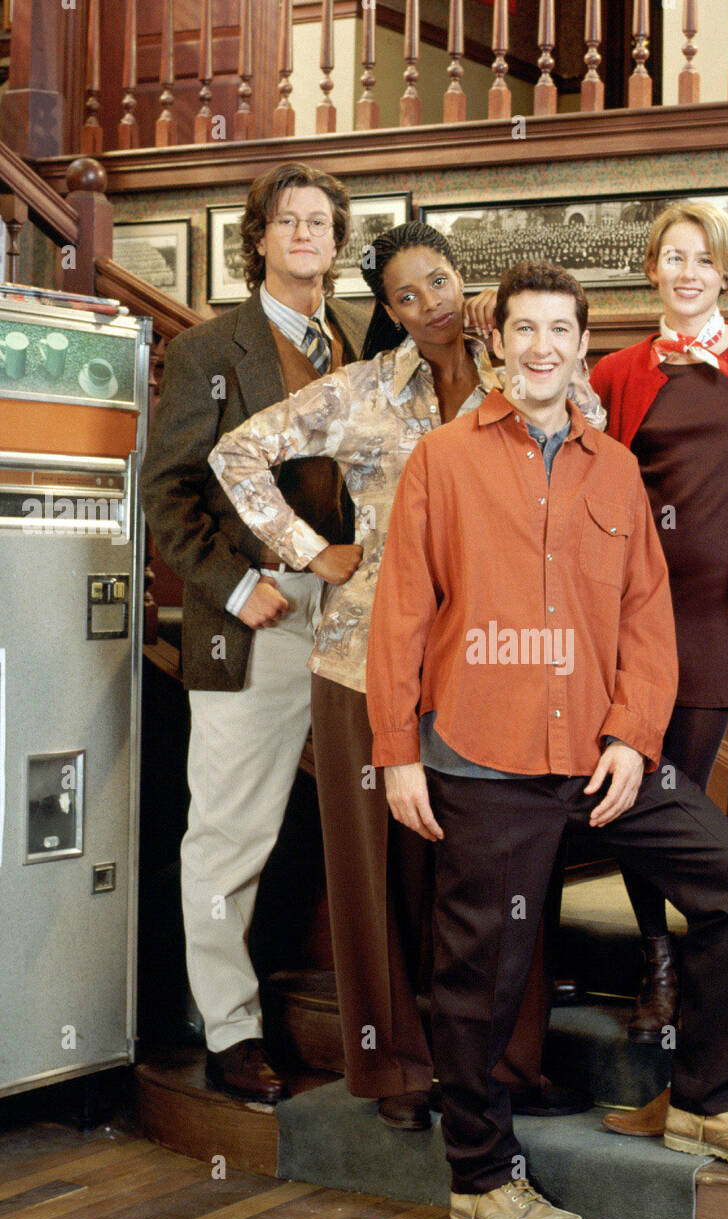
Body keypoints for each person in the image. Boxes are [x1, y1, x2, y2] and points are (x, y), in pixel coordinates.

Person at [366, 261, 728, 1219]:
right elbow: (400, 616)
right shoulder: (440, 461)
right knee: (483, 973)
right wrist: (397, 754)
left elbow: (646, 616)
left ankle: (705, 1095)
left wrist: (631, 737)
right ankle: (480, 1177)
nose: (539, 349)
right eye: (521, 330)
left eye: (558, 332)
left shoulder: (614, 466)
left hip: (597, 752)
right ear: (499, 345)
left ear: (580, 346)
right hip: (481, 755)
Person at [209, 223, 590, 1131]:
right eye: (409, 295)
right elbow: (235, 455)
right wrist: (313, 553)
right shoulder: (361, 390)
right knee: (377, 876)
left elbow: (592, 446)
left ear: (469, 284)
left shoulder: (524, 374)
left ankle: (505, 1061)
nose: (433, 305)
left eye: (443, 281)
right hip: (359, 660)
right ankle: (397, 1076)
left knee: (493, 866)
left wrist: (523, 347)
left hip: (492, 662)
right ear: (387, 311)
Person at [140, 162, 368, 1104]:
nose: (305, 234)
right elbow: (166, 494)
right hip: (256, 614)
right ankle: (230, 1031)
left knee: (350, 822)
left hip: (347, 613)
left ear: (334, 241)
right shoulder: (208, 350)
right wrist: (237, 589)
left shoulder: (350, 340)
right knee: (229, 836)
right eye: (289, 221)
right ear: (261, 240)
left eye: (321, 222)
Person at [590, 201, 728, 1045]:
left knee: (679, 789)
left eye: (702, 258)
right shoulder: (614, 371)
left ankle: (715, 947)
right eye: (671, 257)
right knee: (636, 785)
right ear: (652, 269)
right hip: (636, 607)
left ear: (726, 273)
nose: (686, 272)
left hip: (726, 604)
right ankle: (658, 963)